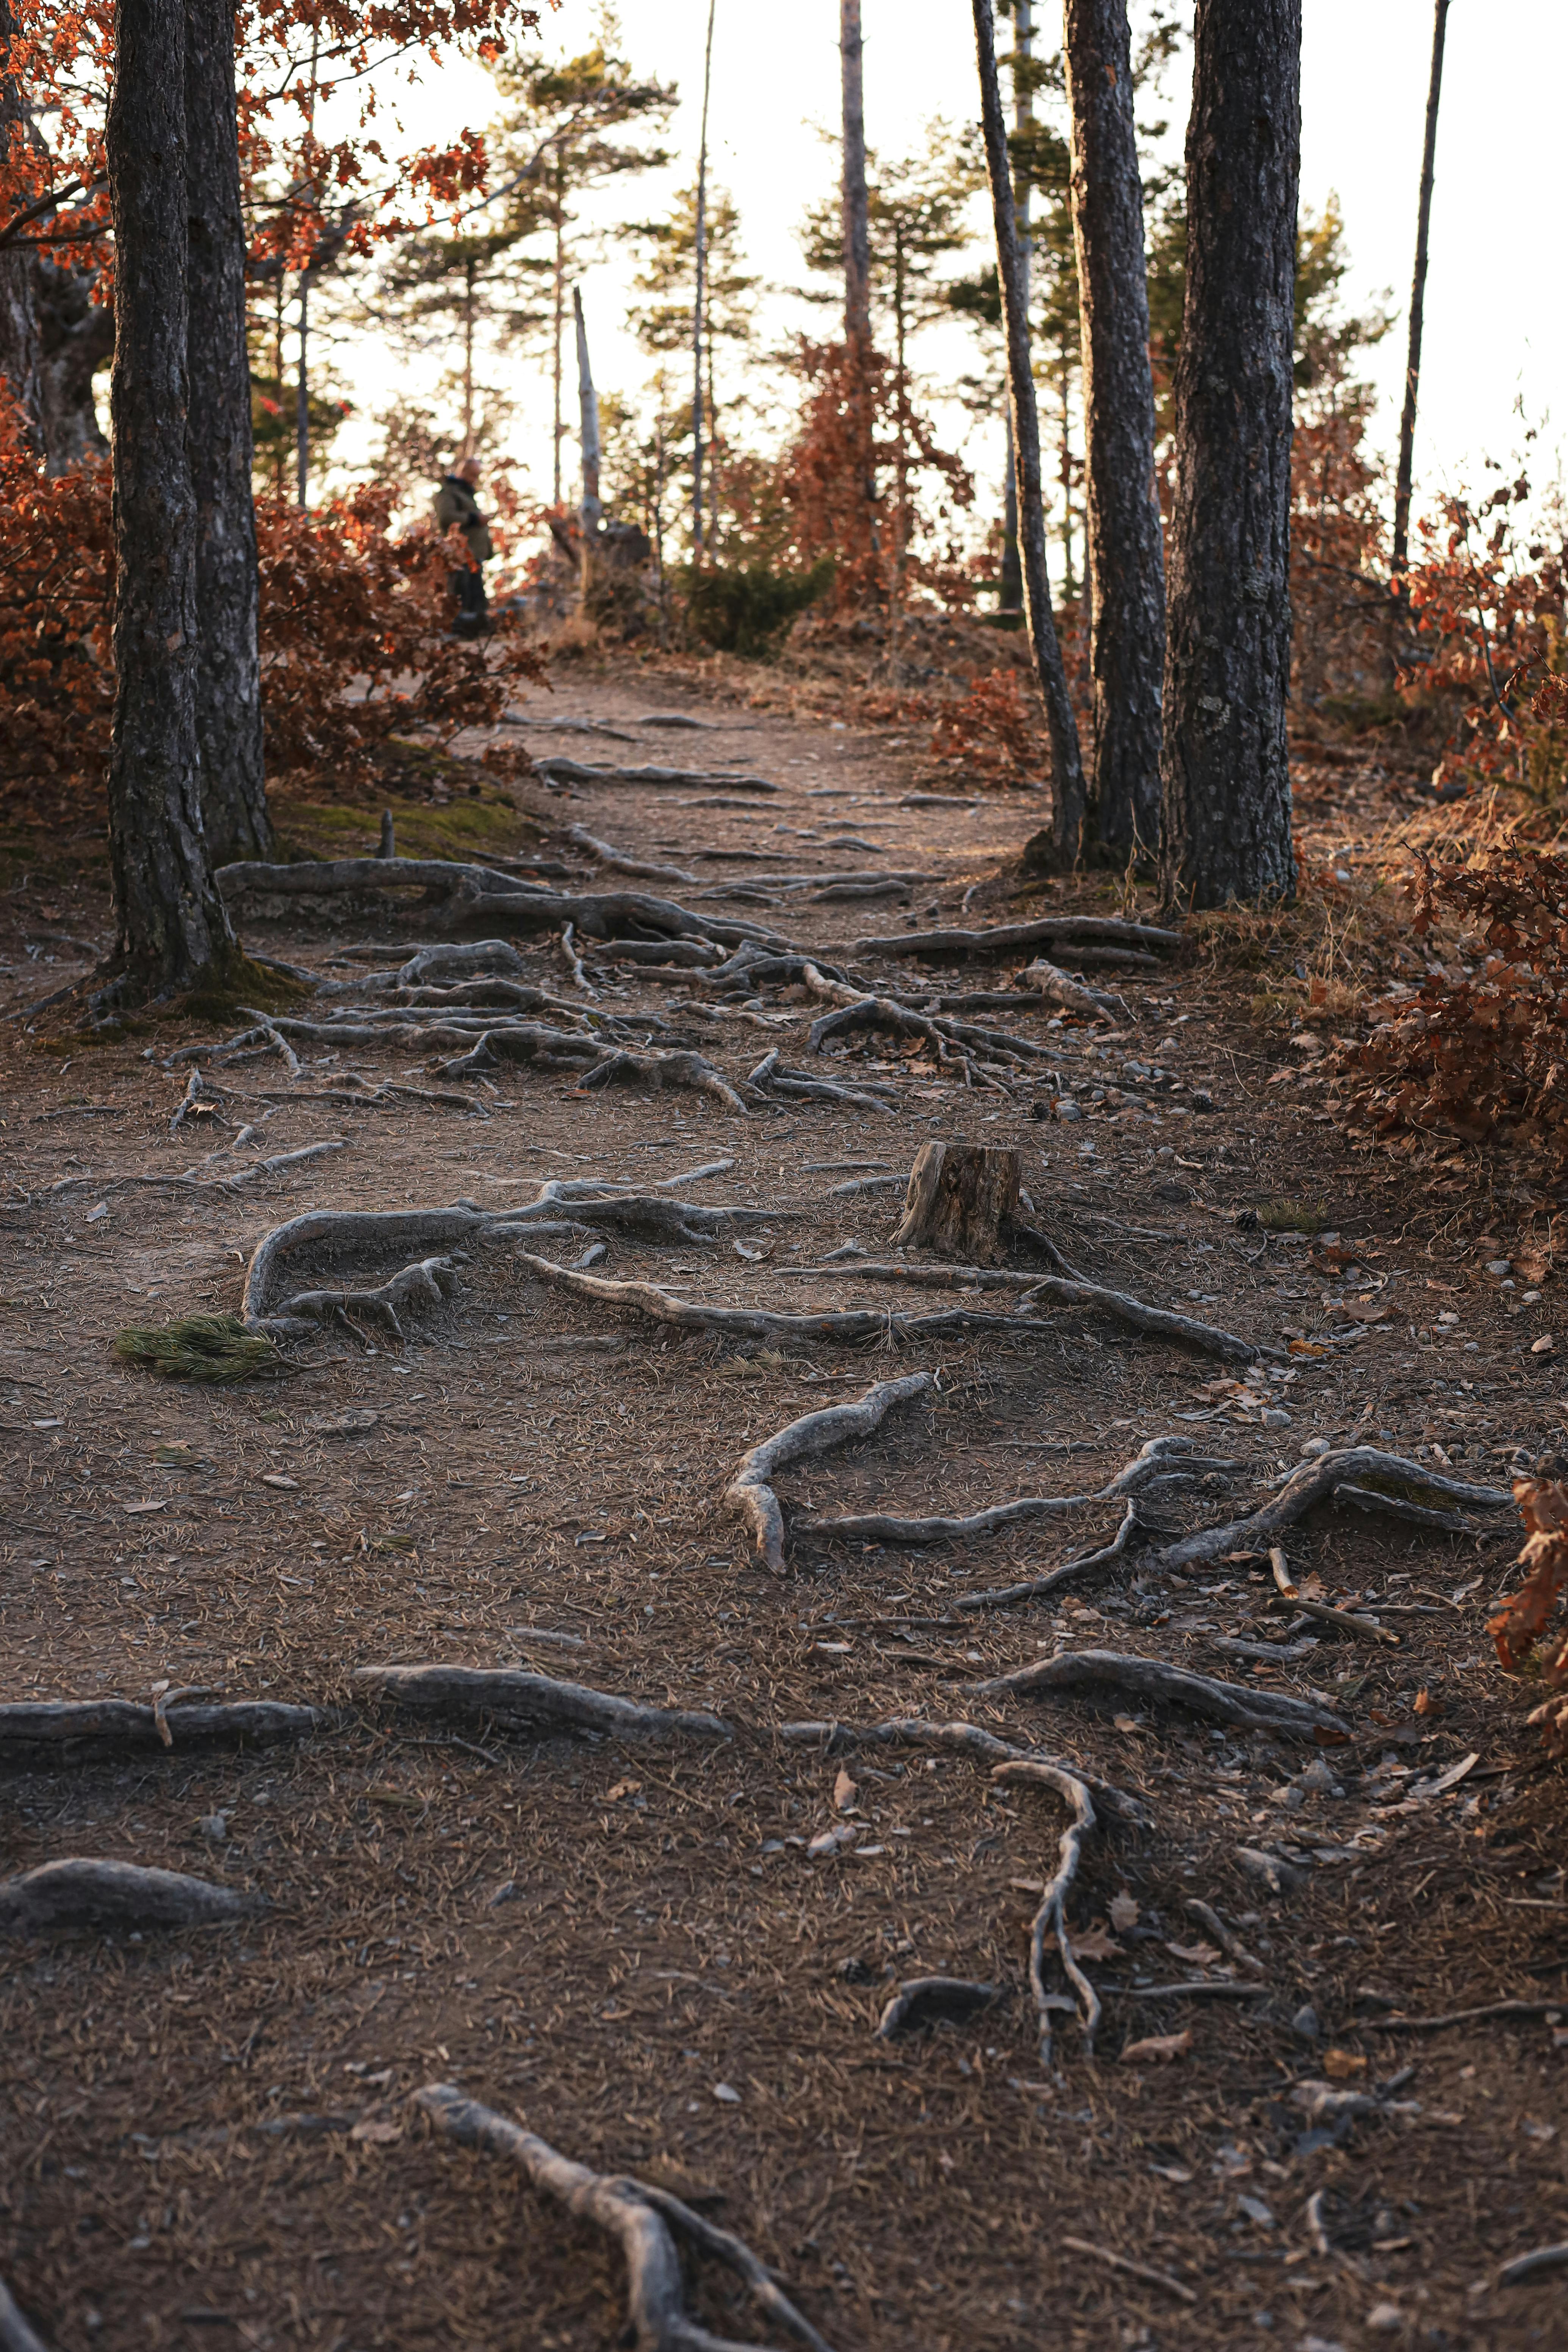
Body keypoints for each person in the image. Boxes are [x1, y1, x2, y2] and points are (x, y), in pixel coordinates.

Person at [433, 454, 494, 637]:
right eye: (473, 475)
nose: (475, 479)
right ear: (464, 472)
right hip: (459, 555)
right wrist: (475, 519)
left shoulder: (467, 493)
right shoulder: (448, 493)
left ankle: (476, 633)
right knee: (460, 595)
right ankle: (456, 633)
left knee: (476, 597)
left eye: (478, 476)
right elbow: (446, 518)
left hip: (474, 555)